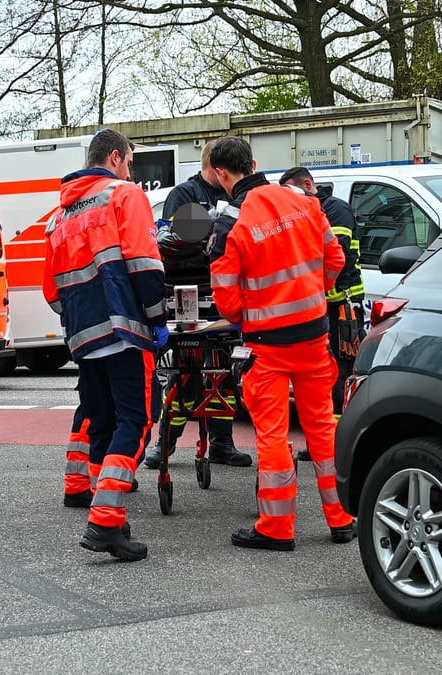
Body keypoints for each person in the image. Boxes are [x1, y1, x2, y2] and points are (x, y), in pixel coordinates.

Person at [207, 136, 356, 550]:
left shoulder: (230, 222)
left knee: (272, 435)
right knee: (322, 429)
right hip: (313, 336)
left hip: (267, 345)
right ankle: (341, 518)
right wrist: (312, 297)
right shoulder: (304, 200)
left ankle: (276, 527)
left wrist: (246, 316)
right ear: (253, 163)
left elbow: (224, 296)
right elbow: (336, 260)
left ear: (221, 174)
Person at [43, 129, 166, 561]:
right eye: (130, 160)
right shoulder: (123, 194)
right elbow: (145, 261)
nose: (130, 169)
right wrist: (158, 318)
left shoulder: (59, 214)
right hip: (124, 328)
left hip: (82, 334)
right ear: (115, 158)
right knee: (138, 420)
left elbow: (52, 292)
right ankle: (106, 521)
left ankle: (104, 512)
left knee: (101, 422)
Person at [143, 139, 253, 471]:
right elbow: (174, 247)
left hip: (223, 296)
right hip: (189, 298)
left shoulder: (234, 195)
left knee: (222, 376)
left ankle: (221, 443)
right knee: (187, 377)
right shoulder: (185, 195)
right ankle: (165, 444)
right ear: (215, 168)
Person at [278, 166, 366, 463]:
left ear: (308, 185)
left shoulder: (335, 211)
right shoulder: (310, 212)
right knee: (323, 376)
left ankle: (338, 445)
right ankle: (323, 441)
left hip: (342, 306)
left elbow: (333, 255)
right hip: (319, 307)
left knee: (341, 374)